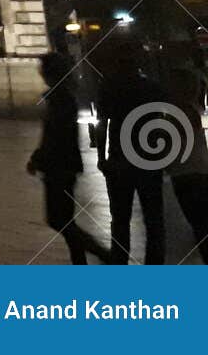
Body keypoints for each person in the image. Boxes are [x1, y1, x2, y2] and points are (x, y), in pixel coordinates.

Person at [26, 52, 112, 264]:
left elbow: (55, 134)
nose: (41, 73)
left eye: (43, 70)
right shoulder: (61, 95)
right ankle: (81, 263)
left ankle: (105, 255)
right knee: (64, 220)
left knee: (59, 220)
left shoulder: (60, 98)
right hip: (64, 164)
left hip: (59, 166)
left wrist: (39, 158)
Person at [94, 44, 170, 264]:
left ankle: (119, 263)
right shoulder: (152, 87)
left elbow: (102, 124)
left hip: (118, 159)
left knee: (120, 219)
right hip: (148, 159)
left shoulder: (108, 87)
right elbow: (162, 123)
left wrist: (101, 158)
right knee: (154, 219)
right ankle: (154, 267)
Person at [165, 66, 208, 263]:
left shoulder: (177, 113)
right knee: (201, 225)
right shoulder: (190, 110)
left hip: (185, 175)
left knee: (199, 225)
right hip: (199, 171)